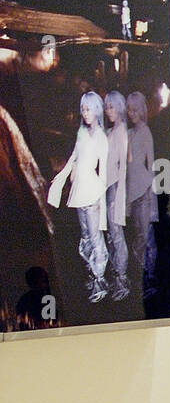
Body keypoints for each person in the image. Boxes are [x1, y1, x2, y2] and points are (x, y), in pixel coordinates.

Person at [47, 91, 109, 303]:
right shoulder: (81, 133)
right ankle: (92, 275)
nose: (84, 113)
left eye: (88, 108)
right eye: (83, 109)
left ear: (97, 110)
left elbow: (104, 173)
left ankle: (99, 280)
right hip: (79, 191)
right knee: (85, 235)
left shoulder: (101, 137)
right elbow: (73, 158)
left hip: (92, 191)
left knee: (94, 236)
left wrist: (102, 201)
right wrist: (61, 178)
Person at [124, 91, 158, 298]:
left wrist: (152, 200)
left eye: (135, 109)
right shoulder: (129, 134)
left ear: (142, 110)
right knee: (137, 237)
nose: (131, 113)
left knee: (145, 238)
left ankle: (149, 280)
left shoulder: (145, 132)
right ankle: (142, 280)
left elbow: (151, 165)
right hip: (132, 193)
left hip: (144, 192)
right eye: (129, 109)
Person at [103, 91, 130, 301]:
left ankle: (122, 280)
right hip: (108, 186)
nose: (108, 111)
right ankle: (117, 278)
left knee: (117, 236)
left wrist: (119, 195)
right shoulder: (113, 131)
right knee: (112, 235)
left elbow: (123, 166)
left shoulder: (121, 132)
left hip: (115, 187)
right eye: (106, 107)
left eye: (112, 106)